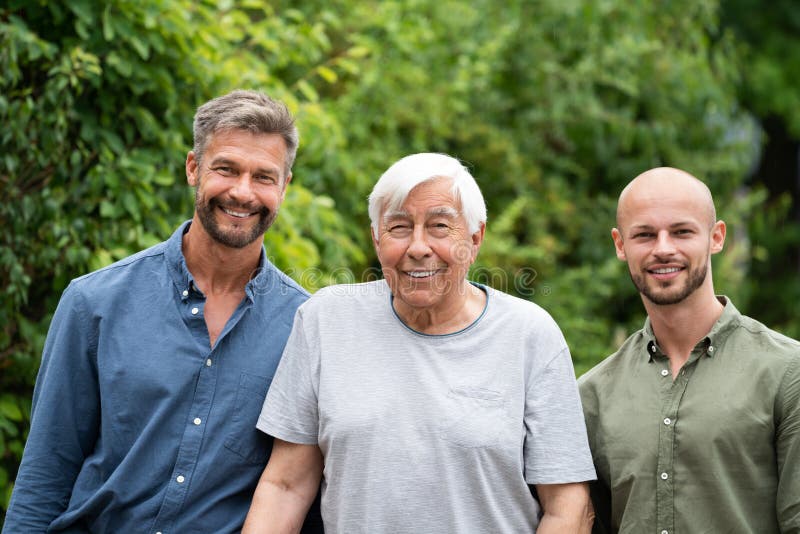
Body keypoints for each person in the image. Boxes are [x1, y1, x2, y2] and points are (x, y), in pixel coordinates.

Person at [3, 90, 322, 533]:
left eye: (263, 177)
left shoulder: (306, 328)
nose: (242, 192)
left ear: (284, 187)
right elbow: (44, 476)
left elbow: (299, 493)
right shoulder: (94, 303)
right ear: (193, 168)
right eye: (226, 169)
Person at [241, 152, 596, 533]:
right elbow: (286, 486)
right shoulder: (325, 321)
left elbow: (568, 506)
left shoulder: (531, 335)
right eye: (399, 227)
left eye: (440, 226)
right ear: (377, 240)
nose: (418, 247)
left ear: (475, 239)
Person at [579, 167, 800, 533]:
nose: (663, 249)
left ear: (716, 237)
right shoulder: (593, 395)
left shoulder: (787, 372)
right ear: (620, 245)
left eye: (682, 231)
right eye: (645, 235)